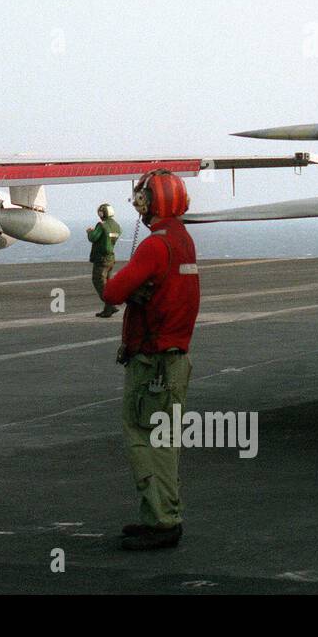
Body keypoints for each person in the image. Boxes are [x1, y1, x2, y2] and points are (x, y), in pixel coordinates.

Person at [101, 169, 200, 551]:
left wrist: (125, 283)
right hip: (175, 358)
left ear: (150, 201)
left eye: (141, 197)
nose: (137, 203)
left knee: (145, 439)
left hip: (152, 363)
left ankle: (163, 523)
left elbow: (111, 292)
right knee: (165, 440)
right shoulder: (183, 241)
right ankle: (159, 516)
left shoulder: (155, 245)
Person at [86, 203, 121, 318]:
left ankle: (110, 305)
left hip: (101, 259)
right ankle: (108, 309)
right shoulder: (116, 225)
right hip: (110, 258)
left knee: (98, 281)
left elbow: (93, 238)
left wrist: (90, 232)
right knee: (107, 283)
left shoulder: (102, 225)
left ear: (102, 213)